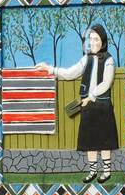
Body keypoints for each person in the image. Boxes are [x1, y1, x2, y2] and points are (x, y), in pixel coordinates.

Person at [37, 24, 118, 184]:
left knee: (104, 139)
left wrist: (91, 95)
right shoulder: (86, 59)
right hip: (87, 106)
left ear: (103, 41)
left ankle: (107, 172)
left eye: (97, 39)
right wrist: (50, 69)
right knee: (90, 140)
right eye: (91, 39)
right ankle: (93, 171)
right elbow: (70, 73)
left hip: (102, 105)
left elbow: (106, 83)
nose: (93, 42)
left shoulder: (109, 60)